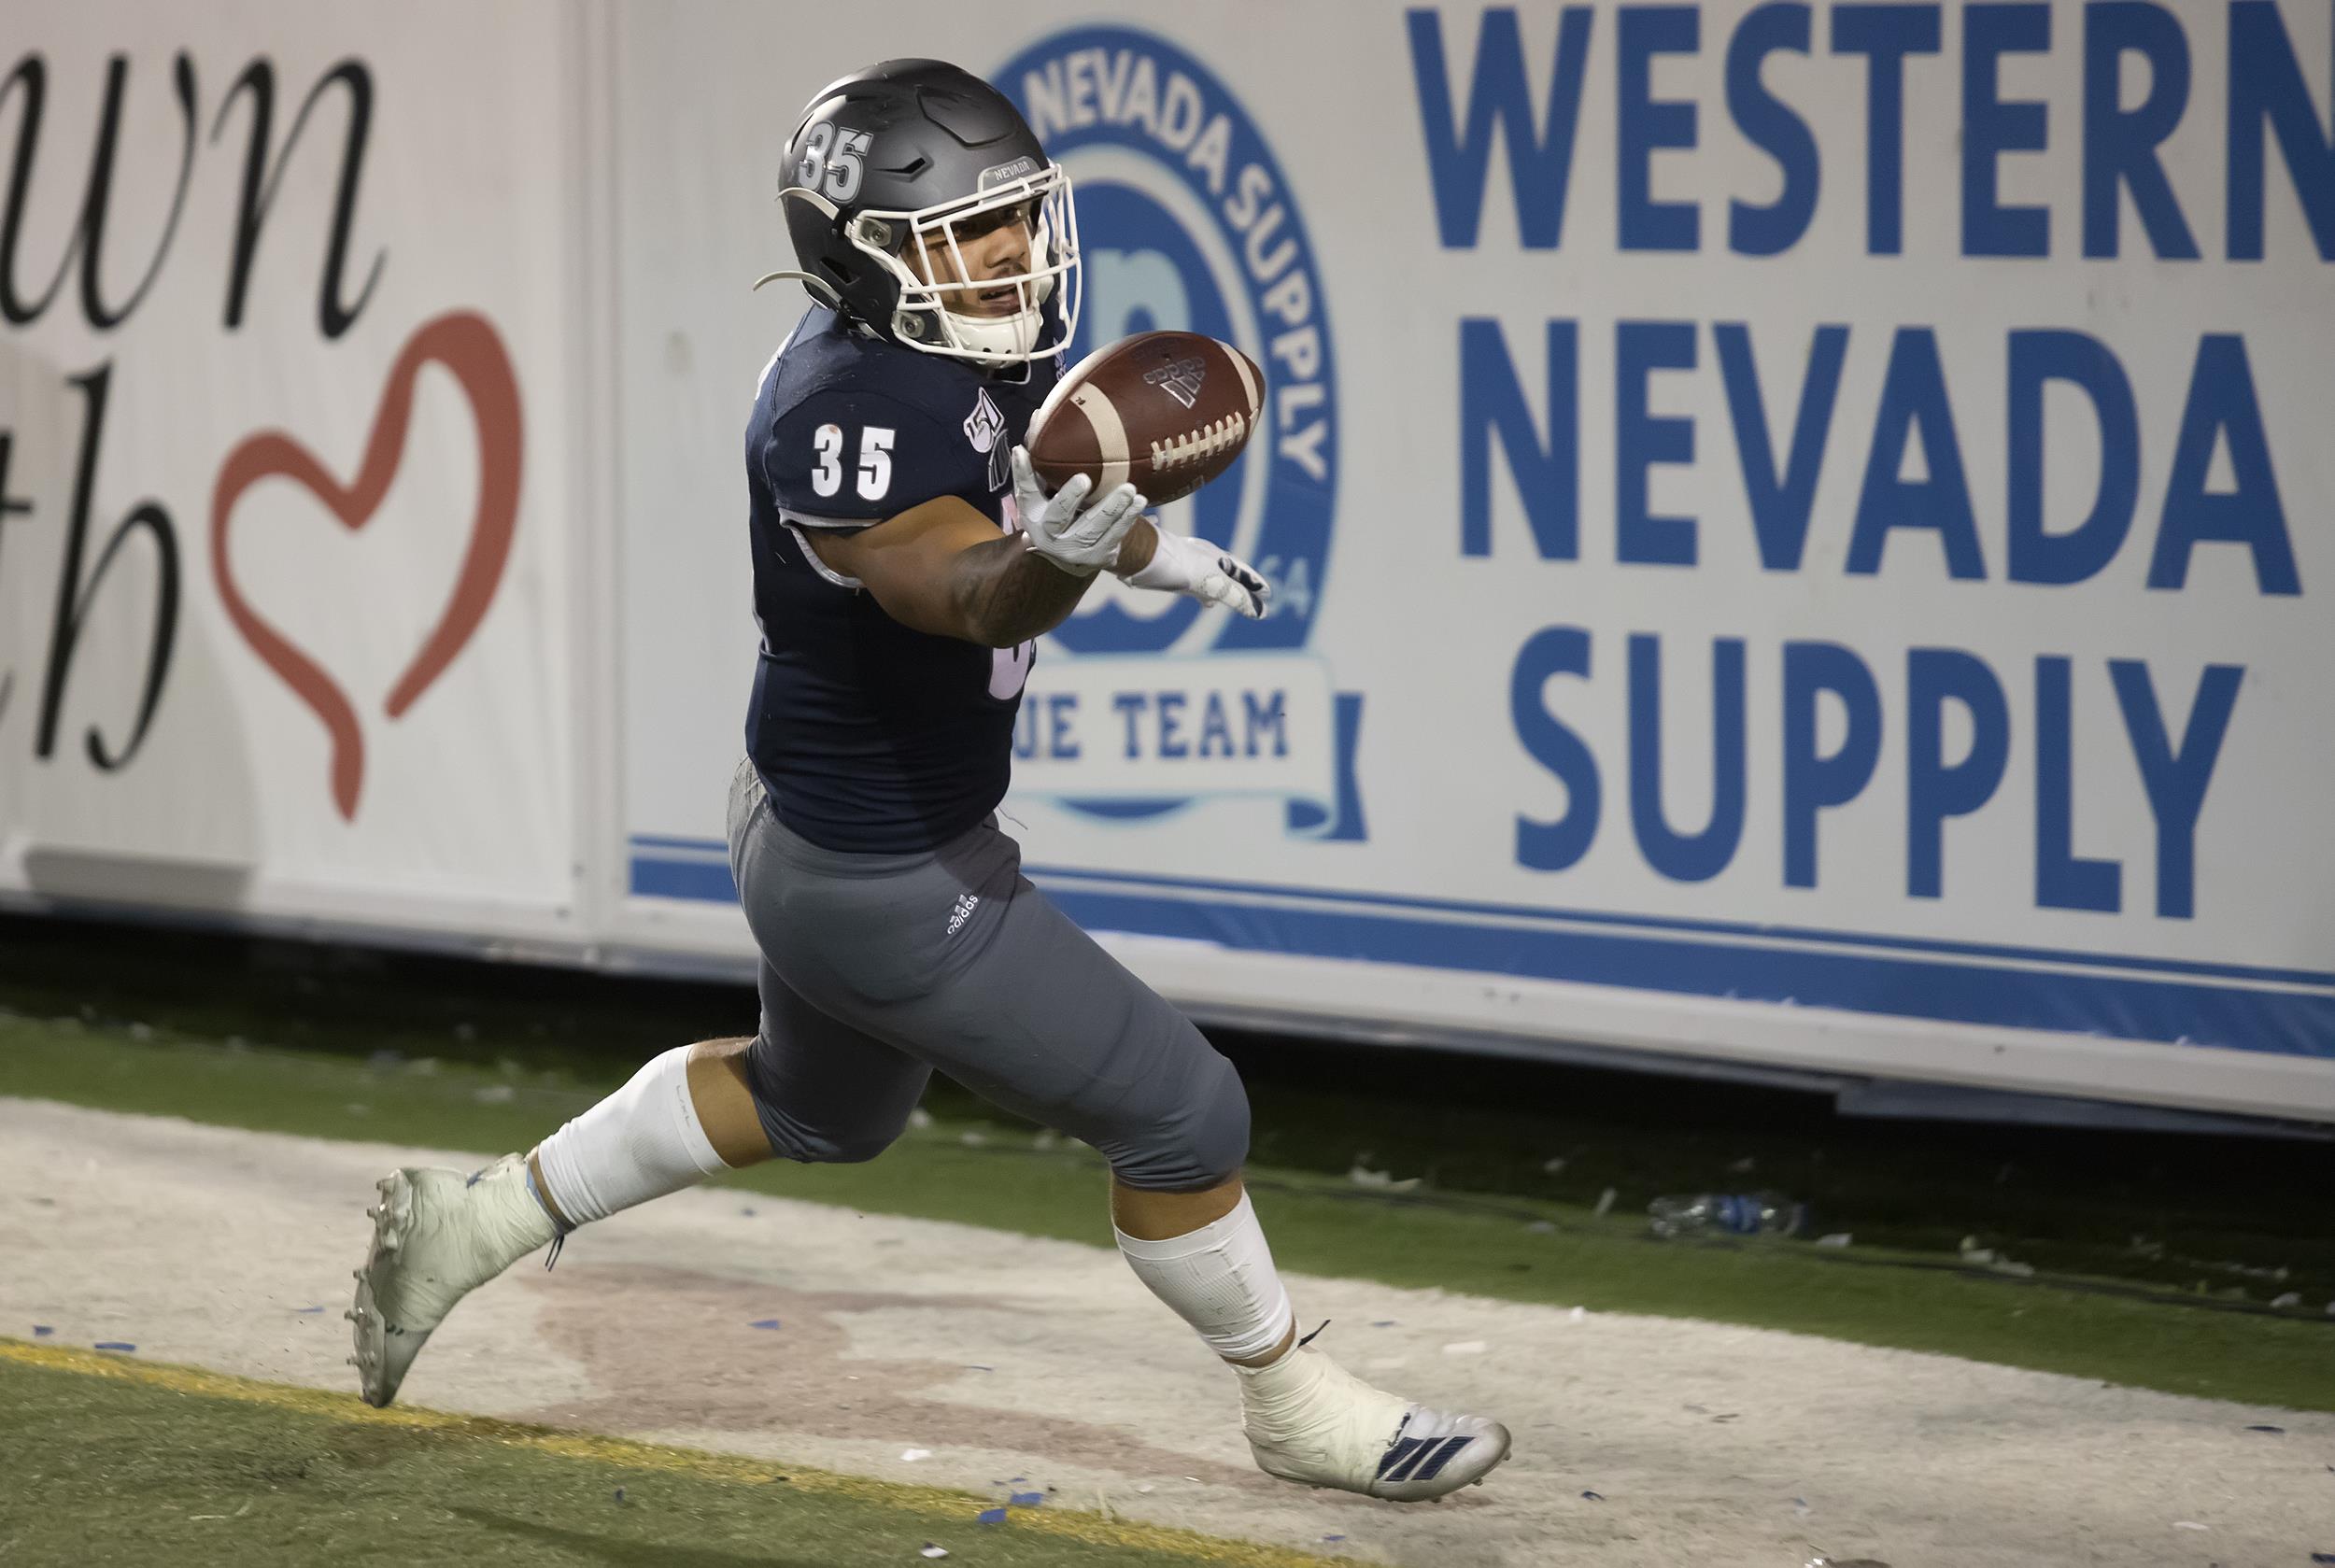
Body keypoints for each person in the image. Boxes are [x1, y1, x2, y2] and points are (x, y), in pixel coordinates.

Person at [349, 57, 1510, 1503]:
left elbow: (1030, 484)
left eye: (1023, 217)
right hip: (884, 875)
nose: (1018, 254)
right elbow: (957, 588)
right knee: (1186, 1114)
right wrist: (1059, 566)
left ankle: (480, 1221)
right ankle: (1294, 1405)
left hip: (810, 827)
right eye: (974, 234)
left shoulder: (954, 346)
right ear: (873, 258)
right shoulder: (843, 402)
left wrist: (1140, 547)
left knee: (821, 1108)